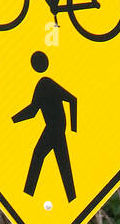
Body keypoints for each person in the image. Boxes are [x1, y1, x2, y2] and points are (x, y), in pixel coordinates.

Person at [12, 51, 78, 203]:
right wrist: (13, 120)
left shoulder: (45, 83)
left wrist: (74, 128)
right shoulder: (43, 83)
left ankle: (29, 194)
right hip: (55, 126)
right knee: (61, 161)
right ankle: (71, 198)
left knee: (41, 156)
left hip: (56, 126)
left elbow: (73, 100)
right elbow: (33, 111)